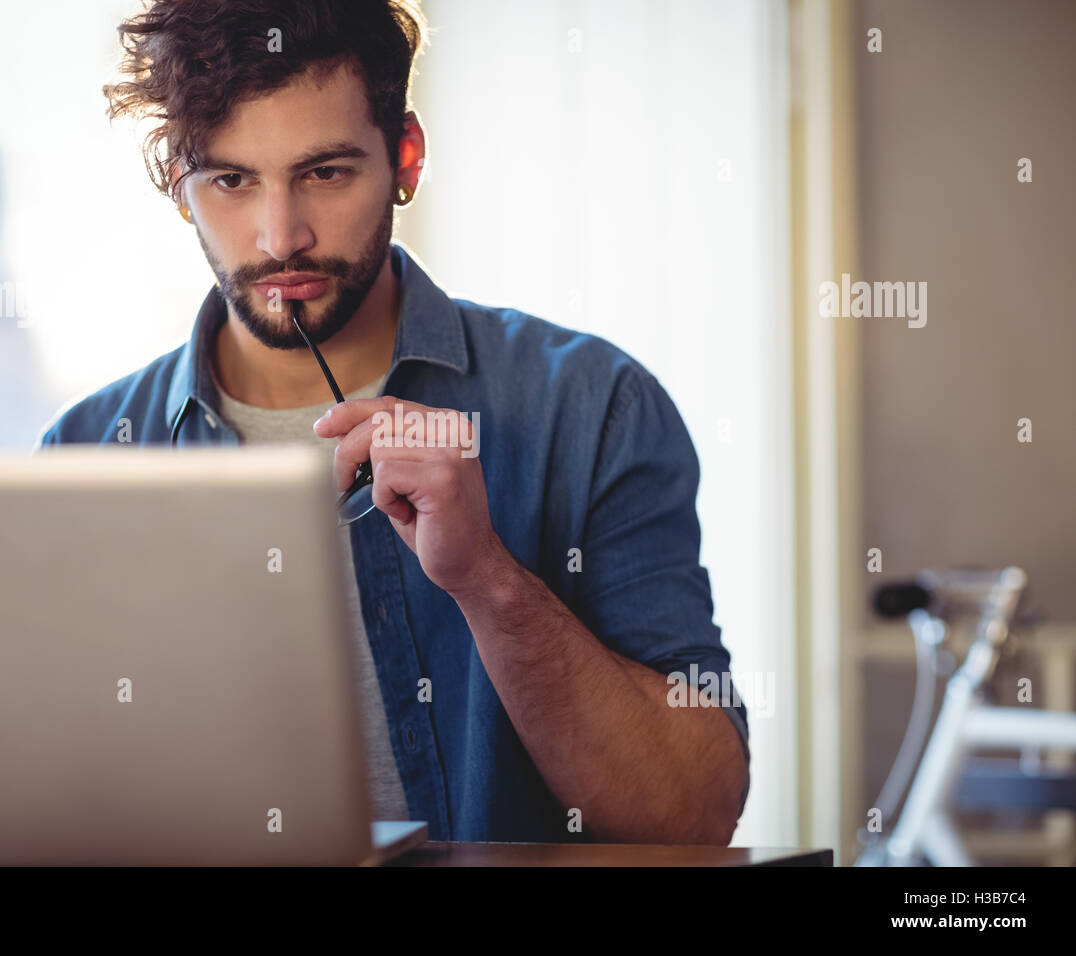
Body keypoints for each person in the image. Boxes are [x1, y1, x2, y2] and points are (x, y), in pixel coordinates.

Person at [41, 0, 749, 844]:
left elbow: (693, 812)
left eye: (327, 173)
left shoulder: (593, 407)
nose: (280, 237)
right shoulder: (84, 453)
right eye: (231, 180)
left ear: (405, 158)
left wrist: (488, 581)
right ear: (177, 185)